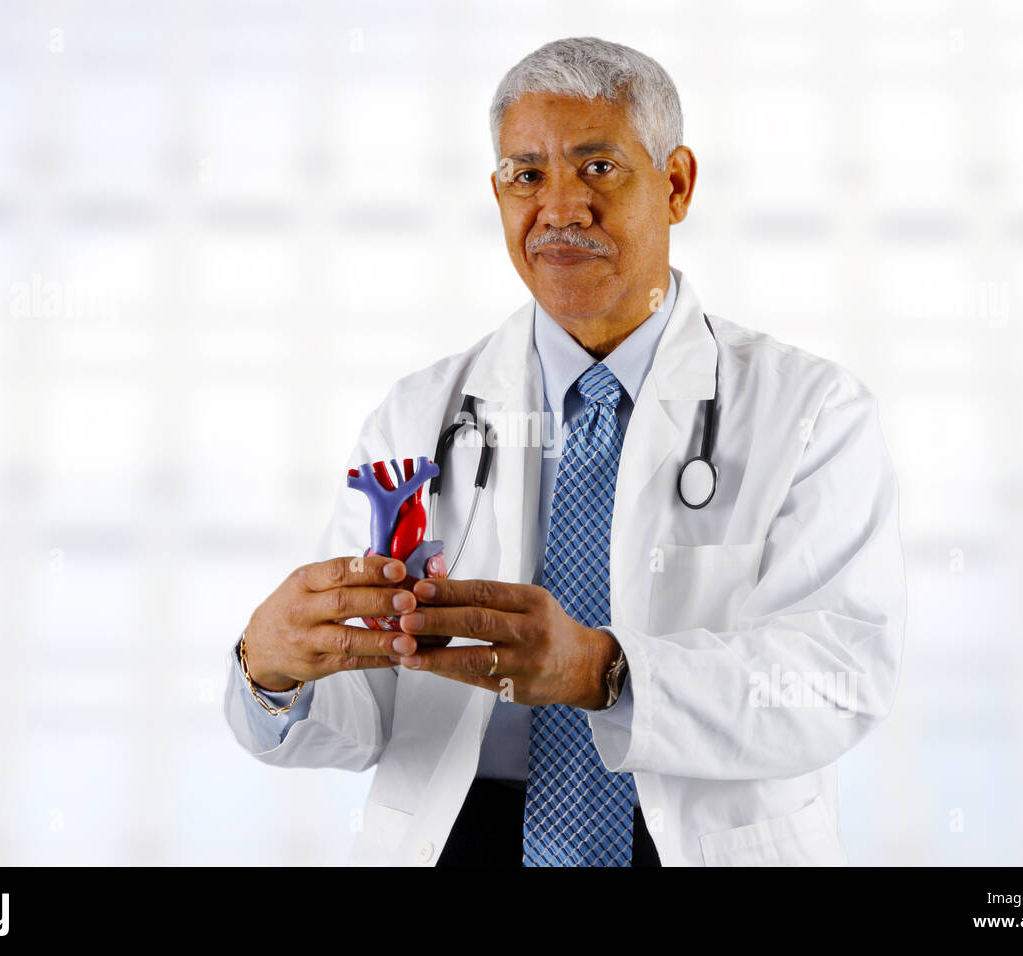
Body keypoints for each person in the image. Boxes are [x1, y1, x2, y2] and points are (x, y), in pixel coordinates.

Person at [224, 36, 907, 867]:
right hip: (461, 837)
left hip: (693, 841)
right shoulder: (416, 416)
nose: (560, 209)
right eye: (526, 175)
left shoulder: (812, 412)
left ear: (678, 183)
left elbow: (837, 678)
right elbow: (362, 716)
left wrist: (605, 672)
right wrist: (275, 672)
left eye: (597, 168)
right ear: (498, 192)